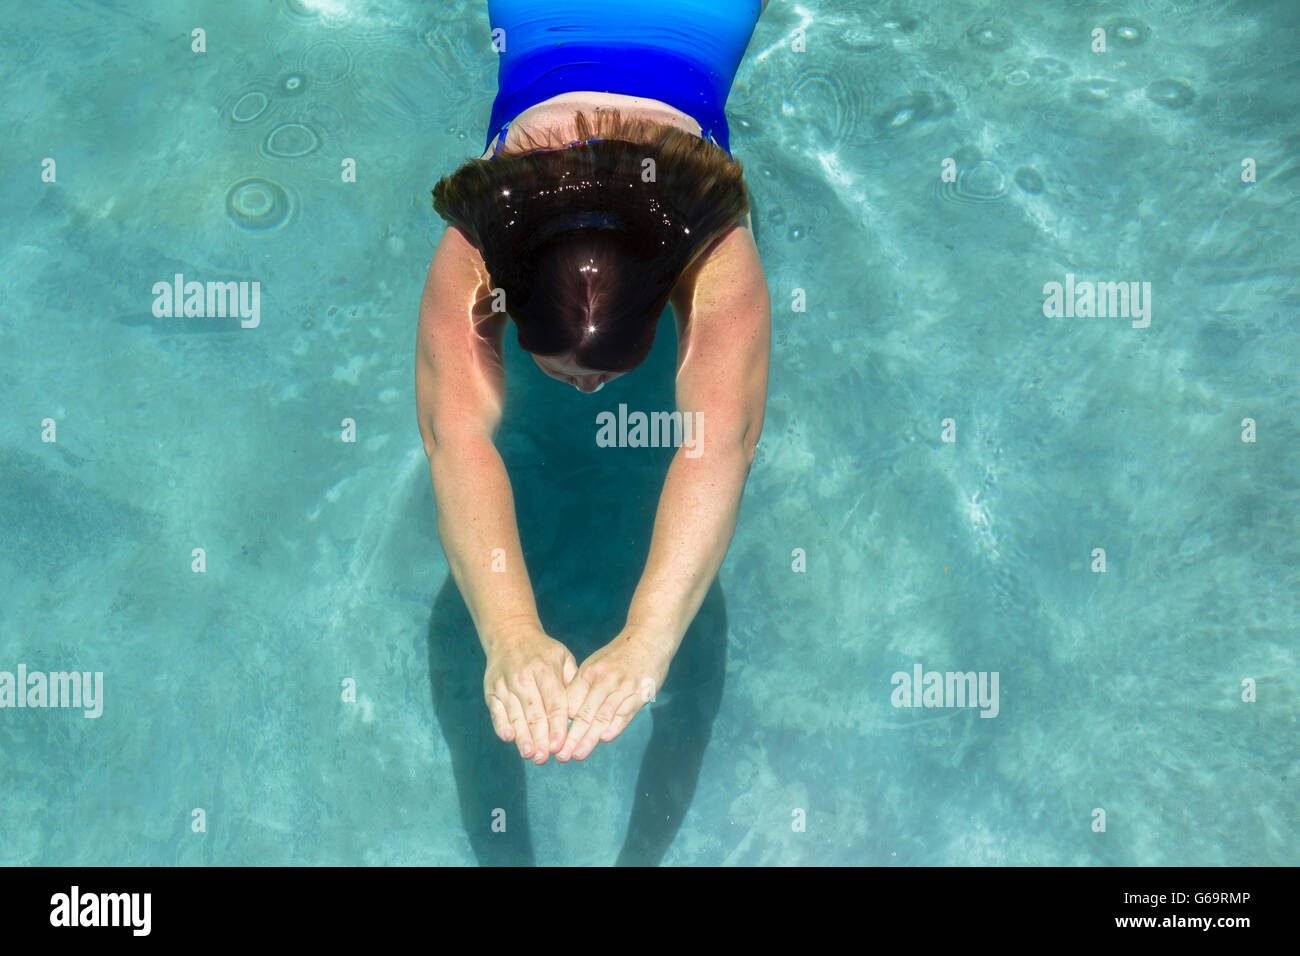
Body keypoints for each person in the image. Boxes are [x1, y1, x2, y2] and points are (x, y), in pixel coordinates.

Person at [416, 0, 771, 770]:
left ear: (668, 294)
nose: (585, 394)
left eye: (604, 374)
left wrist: (650, 634)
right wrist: (508, 632)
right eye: (567, 372)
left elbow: (723, 445)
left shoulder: (712, 248)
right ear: (507, 294)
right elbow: (456, 437)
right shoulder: (484, 232)